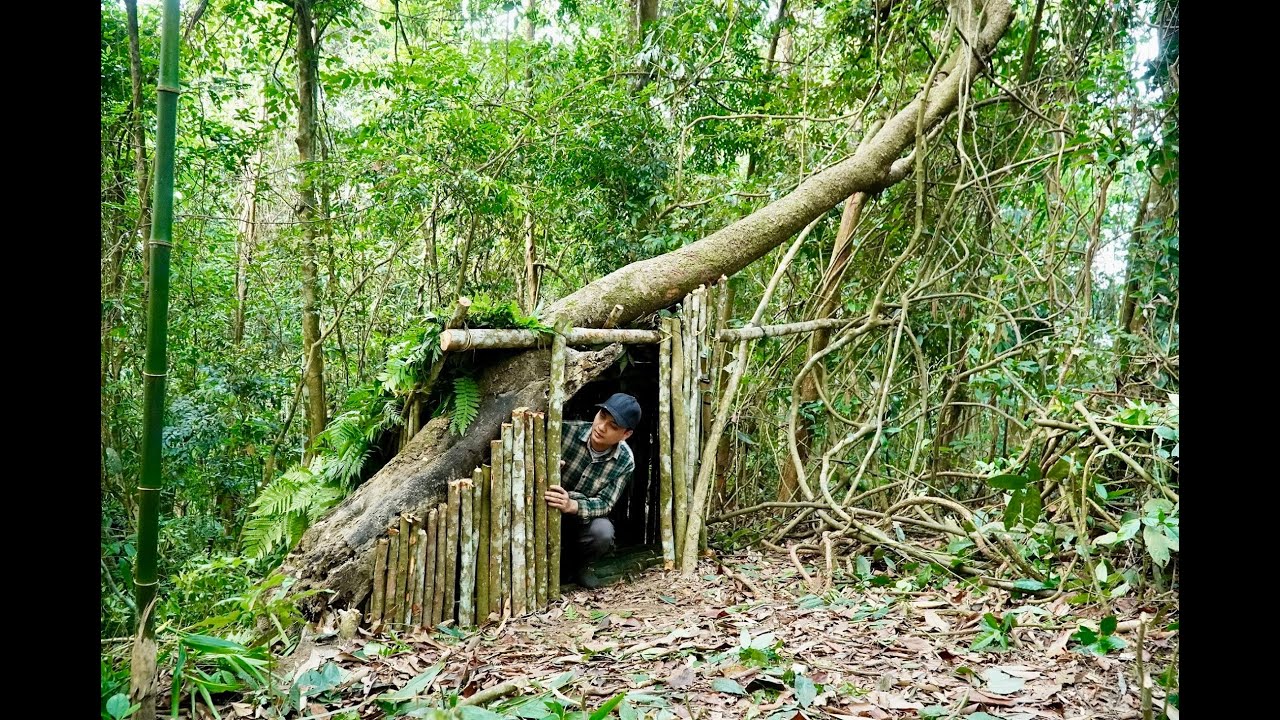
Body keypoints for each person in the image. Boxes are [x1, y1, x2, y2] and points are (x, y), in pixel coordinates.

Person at [543, 392, 640, 588]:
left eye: (613, 426)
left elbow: (606, 502)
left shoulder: (625, 461)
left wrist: (573, 505)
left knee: (602, 532)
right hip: (544, 507)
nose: (602, 427)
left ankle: (579, 567)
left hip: (580, 518)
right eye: (602, 416)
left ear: (626, 434)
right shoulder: (563, 432)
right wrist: (545, 468)